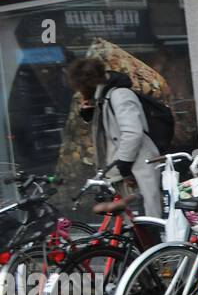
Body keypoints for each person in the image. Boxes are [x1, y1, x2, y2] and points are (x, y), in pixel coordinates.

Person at [67, 57, 163, 217]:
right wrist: (89, 113)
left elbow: (132, 133)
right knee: (136, 224)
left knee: (145, 220)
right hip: (124, 169)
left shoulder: (119, 96)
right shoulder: (104, 97)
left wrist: (124, 166)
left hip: (134, 168)